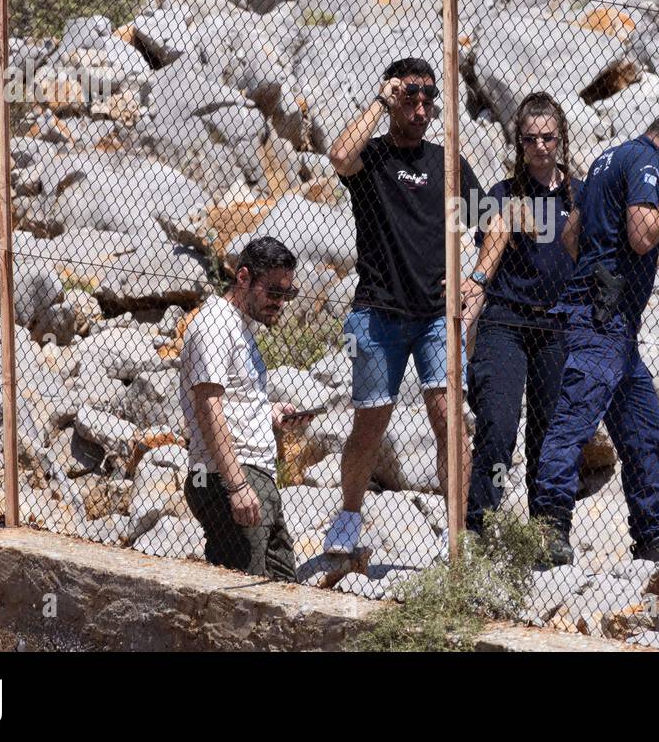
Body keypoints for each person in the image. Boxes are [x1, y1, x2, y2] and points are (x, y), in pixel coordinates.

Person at [531, 107, 659, 566]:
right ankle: (549, 534)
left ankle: (650, 544)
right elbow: (641, 235)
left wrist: (594, 271)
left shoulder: (609, 158)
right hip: (601, 322)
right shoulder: (650, 162)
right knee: (572, 425)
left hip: (614, 328)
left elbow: (572, 232)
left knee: (647, 433)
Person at [322, 57, 482, 554]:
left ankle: (459, 539)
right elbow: (338, 156)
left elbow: (491, 221)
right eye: (409, 97)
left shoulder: (447, 162)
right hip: (377, 312)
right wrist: (377, 100)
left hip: (436, 315)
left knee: (448, 420)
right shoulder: (372, 159)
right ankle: (348, 519)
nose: (420, 107)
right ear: (394, 98)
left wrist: (475, 280)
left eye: (427, 98)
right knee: (370, 424)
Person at [462, 93, 581, 535]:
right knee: (497, 424)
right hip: (507, 322)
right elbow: (486, 253)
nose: (541, 147)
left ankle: (548, 532)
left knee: (551, 435)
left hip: (558, 325)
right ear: (519, 144)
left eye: (549, 137)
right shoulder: (503, 195)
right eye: (531, 139)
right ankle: (478, 528)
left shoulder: (578, 195)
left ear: (561, 138)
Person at [181, 236, 303, 581]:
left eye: (287, 295)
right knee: (241, 596)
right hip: (230, 477)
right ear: (244, 278)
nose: (280, 303)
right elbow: (207, 406)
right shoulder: (215, 325)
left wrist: (270, 415)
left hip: (256, 478)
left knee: (281, 588)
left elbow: (232, 403)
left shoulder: (239, 328)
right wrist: (236, 486)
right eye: (274, 293)